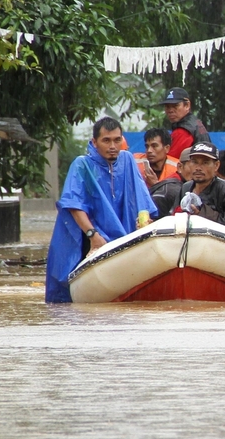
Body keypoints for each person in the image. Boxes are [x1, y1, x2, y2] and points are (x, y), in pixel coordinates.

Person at [45, 117, 156, 303]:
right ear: (94, 142)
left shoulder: (127, 160)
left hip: (125, 240)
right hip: (91, 241)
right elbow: (74, 205)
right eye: (106, 140)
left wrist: (144, 223)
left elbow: (141, 198)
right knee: (65, 304)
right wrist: (93, 236)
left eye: (117, 140)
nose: (113, 146)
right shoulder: (82, 165)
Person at [158, 143, 225, 233]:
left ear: (216, 166)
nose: (198, 168)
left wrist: (204, 213)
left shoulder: (224, 189)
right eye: (194, 162)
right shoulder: (186, 187)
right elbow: (173, 217)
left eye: (205, 163)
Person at [158, 87, 210, 160]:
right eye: (167, 107)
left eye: (175, 105)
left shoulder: (183, 131)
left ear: (187, 105)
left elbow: (170, 161)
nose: (170, 110)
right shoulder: (195, 122)